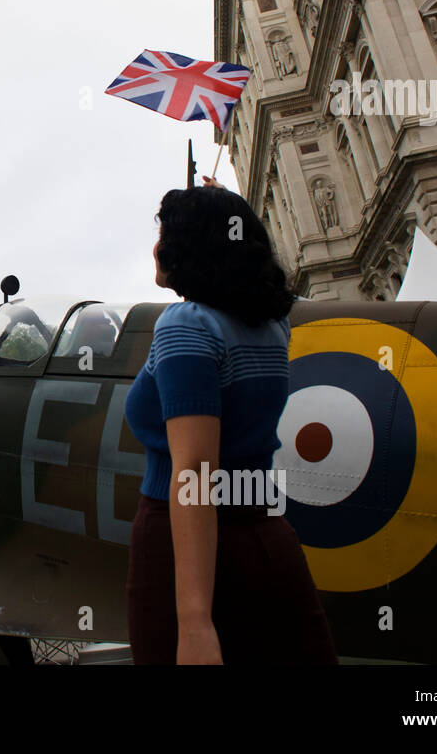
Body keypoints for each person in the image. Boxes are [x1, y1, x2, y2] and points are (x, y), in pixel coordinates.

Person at [125, 176, 337, 664]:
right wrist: (227, 211)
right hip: (267, 534)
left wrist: (195, 623)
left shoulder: (186, 325)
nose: (157, 247)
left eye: (167, 235)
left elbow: (196, 474)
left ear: (187, 251)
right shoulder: (273, 324)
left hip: (186, 552)